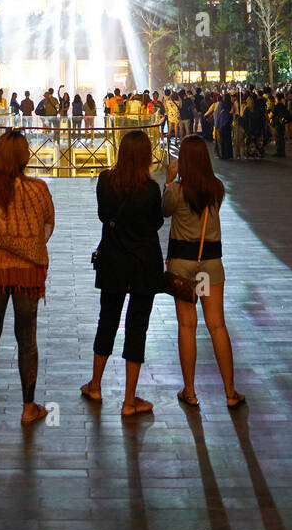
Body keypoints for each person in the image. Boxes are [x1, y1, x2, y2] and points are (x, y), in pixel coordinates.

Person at [0, 131, 55, 426]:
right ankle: (28, 407)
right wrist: (29, 244)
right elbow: (48, 227)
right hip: (27, 275)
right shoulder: (38, 189)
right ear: (23, 157)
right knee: (26, 339)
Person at [81, 129, 163, 416]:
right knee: (136, 327)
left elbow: (104, 215)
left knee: (108, 320)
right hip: (143, 264)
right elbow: (156, 224)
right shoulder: (151, 190)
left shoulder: (105, 181)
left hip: (113, 261)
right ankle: (130, 399)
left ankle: (95, 383)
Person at [163, 136, 244, 408]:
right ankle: (230, 392)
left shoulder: (176, 191)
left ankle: (190, 392)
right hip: (209, 264)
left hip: (182, 264)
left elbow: (164, 212)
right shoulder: (217, 188)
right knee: (217, 324)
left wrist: (168, 180)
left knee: (187, 326)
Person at [272, 92, 288, 156]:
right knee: (282, 137)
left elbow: (273, 114)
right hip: (282, 122)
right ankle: (282, 151)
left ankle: (279, 151)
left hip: (278, 123)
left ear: (277, 98)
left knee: (278, 137)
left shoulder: (277, 106)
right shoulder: (283, 105)